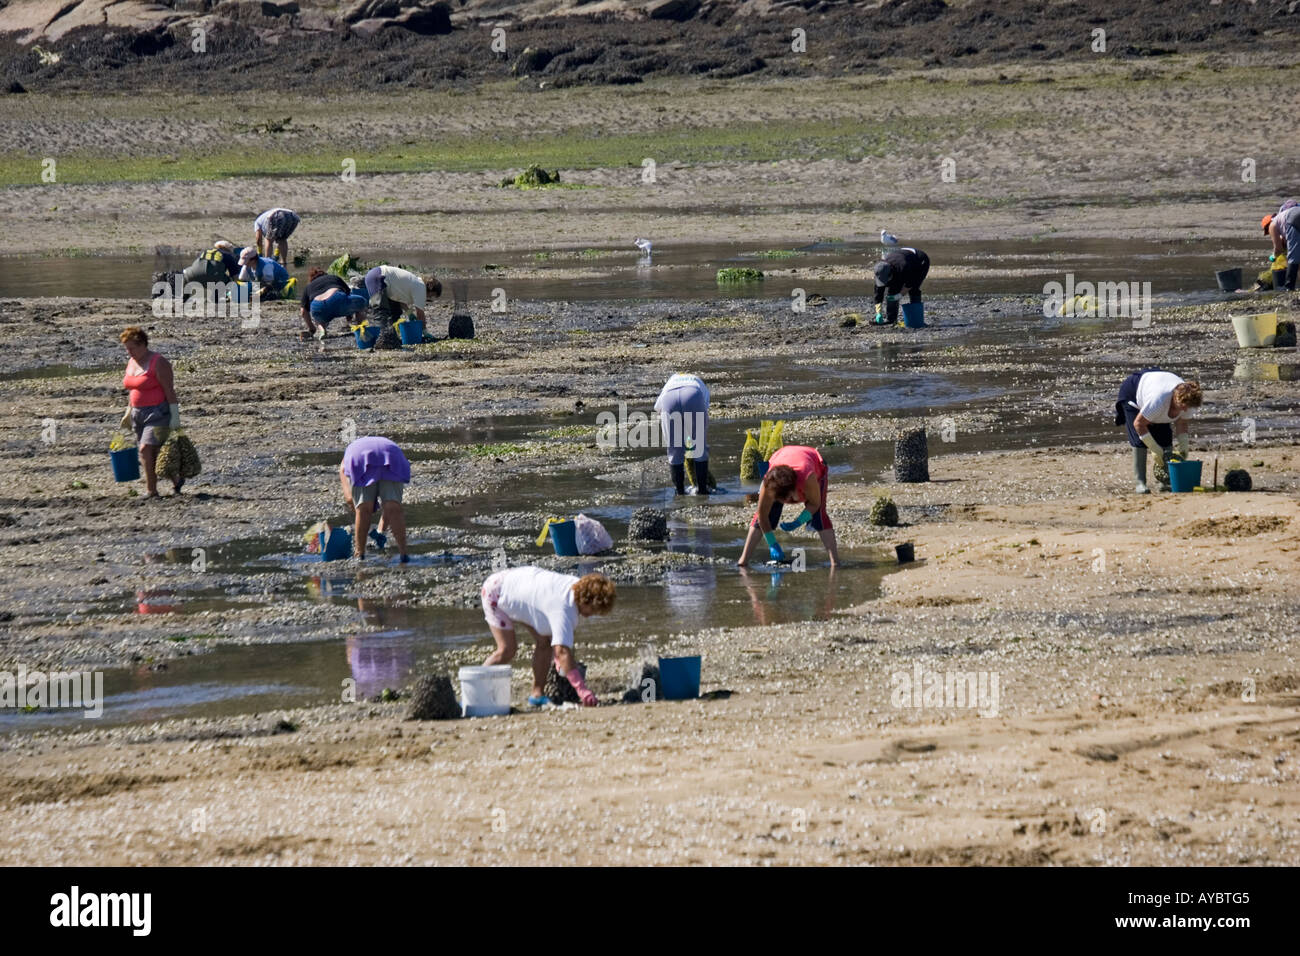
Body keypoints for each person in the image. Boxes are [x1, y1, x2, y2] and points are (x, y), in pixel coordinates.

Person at [479, 566, 615, 707]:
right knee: (506, 650)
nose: (592, 614)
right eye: (593, 610)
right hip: (496, 592)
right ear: (586, 600)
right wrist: (582, 690)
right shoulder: (564, 608)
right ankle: (475, 691)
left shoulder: (577, 586)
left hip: (520, 587)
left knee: (544, 643)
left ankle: (537, 695)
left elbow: (556, 642)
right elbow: (562, 651)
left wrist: (559, 658)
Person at [738, 444, 840, 567]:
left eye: (789, 498)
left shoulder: (808, 478)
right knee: (765, 516)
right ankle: (743, 561)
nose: (787, 502)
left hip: (811, 460)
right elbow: (762, 516)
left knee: (820, 516)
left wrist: (799, 521)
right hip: (781, 456)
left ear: (795, 489)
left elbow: (815, 504)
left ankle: (835, 562)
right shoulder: (768, 483)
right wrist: (772, 544)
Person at [1114, 368, 1203, 494]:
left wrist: (1184, 445)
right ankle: (1140, 483)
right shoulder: (1159, 400)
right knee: (1139, 441)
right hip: (1134, 392)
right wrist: (1154, 448)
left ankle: (1165, 480)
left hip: (1156, 386)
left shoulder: (1189, 402)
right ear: (1175, 398)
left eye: (1187, 407)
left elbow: (1181, 422)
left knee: (1165, 438)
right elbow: (1139, 424)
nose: (1185, 409)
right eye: (1182, 406)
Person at [118, 326, 180, 498]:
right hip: (137, 413)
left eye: (132, 348)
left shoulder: (158, 362)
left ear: (143, 344)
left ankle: (151, 490)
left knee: (145, 449)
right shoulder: (132, 362)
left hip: (158, 412)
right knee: (156, 451)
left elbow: (169, 390)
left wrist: (175, 415)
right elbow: (133, 389)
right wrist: (128, 412)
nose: (129, 352)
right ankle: (176, 479)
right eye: (127, 349)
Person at [339, 436, 411, 562]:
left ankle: (359, 555)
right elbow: (388, 508)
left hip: (360, 457)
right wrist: (379, 531)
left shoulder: (348, 456)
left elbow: (350, 497)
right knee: (392, 506)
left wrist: (378, 531)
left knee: (363, 508)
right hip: (391, 455)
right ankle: (404, 555)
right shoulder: (352, 451)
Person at [654, 372, 712, 495]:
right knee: (700, 447)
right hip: (693, 394)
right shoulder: (698, 381)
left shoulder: (670, 381)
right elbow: (704, 413)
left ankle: (679, 491)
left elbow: (658, 409)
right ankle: (702, 490)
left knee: (674, 449)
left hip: (668, 397)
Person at [300, 267, 368, 341]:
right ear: (324, 274)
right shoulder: (333, 277)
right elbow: (348, 293)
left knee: (318, 316)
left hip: (318, 306)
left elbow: (303, 312)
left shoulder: (308, 287)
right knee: (362, 301)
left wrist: (311, 328)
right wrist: (349, 314)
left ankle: (322, 329)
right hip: (336, 298)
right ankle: (361, 327)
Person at [872, 245, 930, 325]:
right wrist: (878, 312)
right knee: (892, 291)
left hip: (919, 260)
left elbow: (910, 284)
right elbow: (878, 294)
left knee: (914, 289)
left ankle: (916, 318)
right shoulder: (880, 271)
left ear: (890, 274)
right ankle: (891, 319)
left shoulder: (903, 268)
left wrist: (899, 295)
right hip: (900, 256)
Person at [363, 264, 441, 323]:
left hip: (377, 276)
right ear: (430, 289)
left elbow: (399, 299)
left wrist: (409, 313)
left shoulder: (416, 283)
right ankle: (381, 338)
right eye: (432, 296)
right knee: (381, 312)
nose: (429, 298)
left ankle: (390, 335)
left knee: (395, 311)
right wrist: (424, 330)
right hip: (378, 277)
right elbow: (420, 314)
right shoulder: (421, 288)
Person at [1263, 200, 1299, 291]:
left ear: (1267, 226)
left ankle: (1289, 287)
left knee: (1293, 256)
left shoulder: (1272, 225)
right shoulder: (1281, 221)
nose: (1269, 233)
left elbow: (1278, 248)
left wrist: (1273, 256)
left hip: (1294, 218)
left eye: (1267, 232)